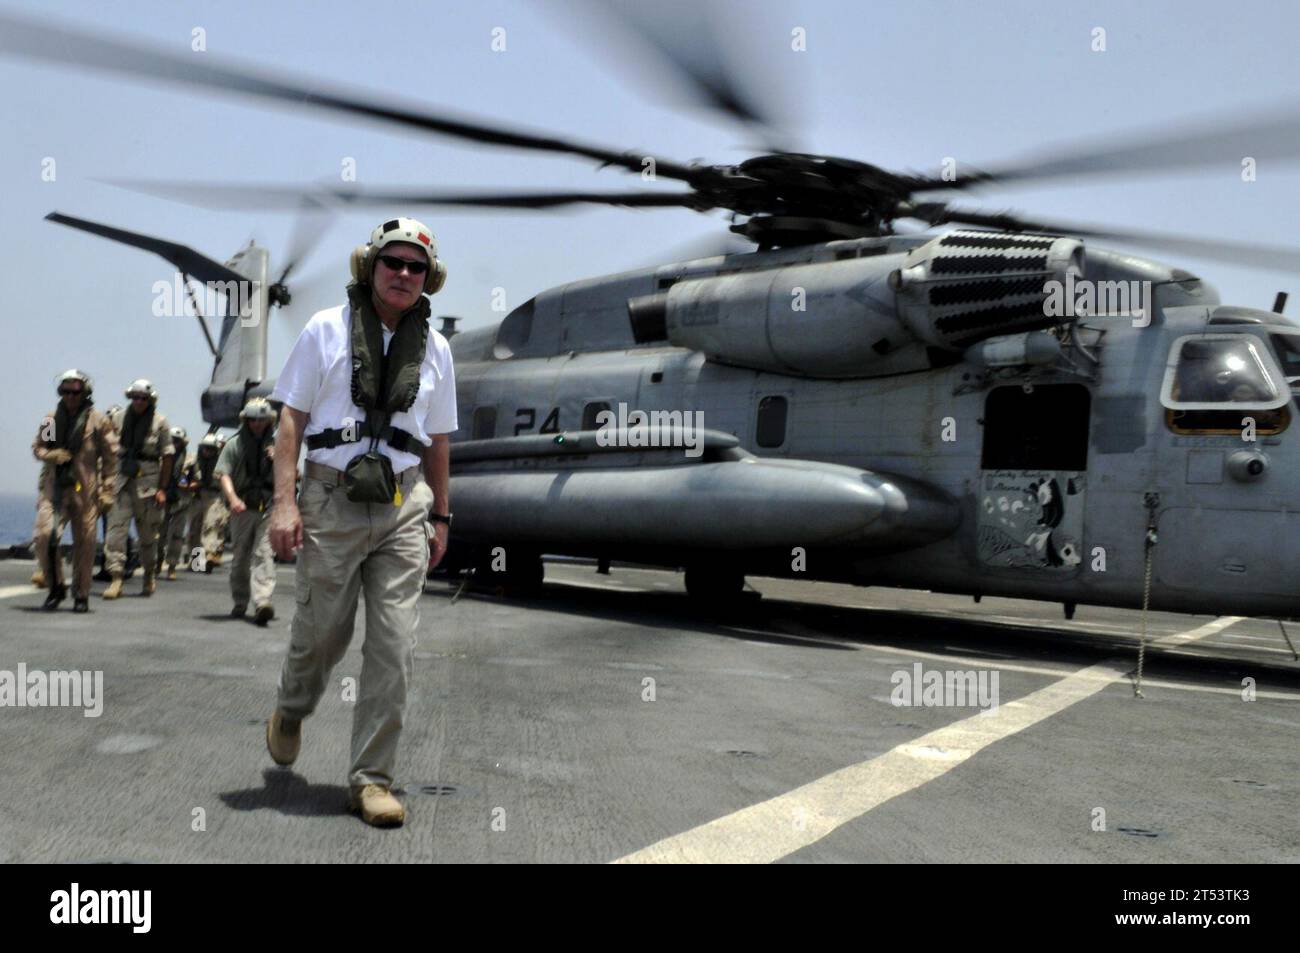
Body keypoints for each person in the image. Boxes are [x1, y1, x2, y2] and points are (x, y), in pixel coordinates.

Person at [266, 217, 456, 827]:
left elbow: (440, 441)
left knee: (394, 646)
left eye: (415, 267)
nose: (403, 274)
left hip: (403, 505)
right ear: (370, 266)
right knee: (325, 633)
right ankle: (292, 707)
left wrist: (443, 514)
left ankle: (371, 779)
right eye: (393, 262)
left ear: (429, 279)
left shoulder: (437, 348)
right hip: (331, 499)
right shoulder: (325, 329)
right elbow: (290, 421)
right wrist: (285, 501)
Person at [31, 369, 118, 612]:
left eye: (75, 392)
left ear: (84, 392)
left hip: (86, 492)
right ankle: (55, 587)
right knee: (44, 536)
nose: (70, 396)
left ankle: (81, 594)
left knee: (86, 543)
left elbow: (111, 459)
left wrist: (108, 491)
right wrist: (51, 454)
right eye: (65, 391)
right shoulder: (51, 420)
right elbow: (39, 448)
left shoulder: (98, 421)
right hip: (55, 490)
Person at [103, 379, 174, 599]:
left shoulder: (160, 423)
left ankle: (151, 574)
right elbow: (106, 449)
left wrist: (162, 489)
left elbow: (168, 456)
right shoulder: (118, 418)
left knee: (149, 536)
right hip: (122, 479)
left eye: (143, 398)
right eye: (135, 397)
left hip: (148, 485)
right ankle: (116, 578)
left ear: (150, 400)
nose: (138, 402)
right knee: (116, 531)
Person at [215, 398, 278, 624]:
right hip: (242, 507)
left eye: (262, 420)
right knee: (240, 557)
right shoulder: (234, 444)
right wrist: (232, 499)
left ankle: (262, 602)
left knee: (264, 553)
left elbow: (294, 474)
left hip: (269, 506)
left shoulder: (278, 443)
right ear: (246, 421)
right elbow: (223, 473)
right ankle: (240, 601)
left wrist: (278, 460)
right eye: (253, 420)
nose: (258, 424)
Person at [158, 426, 190, 580]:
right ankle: (157, 563)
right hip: (165, 499)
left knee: (203, 533)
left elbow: (199, 479)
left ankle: (196, 565)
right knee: (160, 534)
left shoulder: (190, 459)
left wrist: (189, 485)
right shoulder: (161, 457)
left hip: (189, 500)